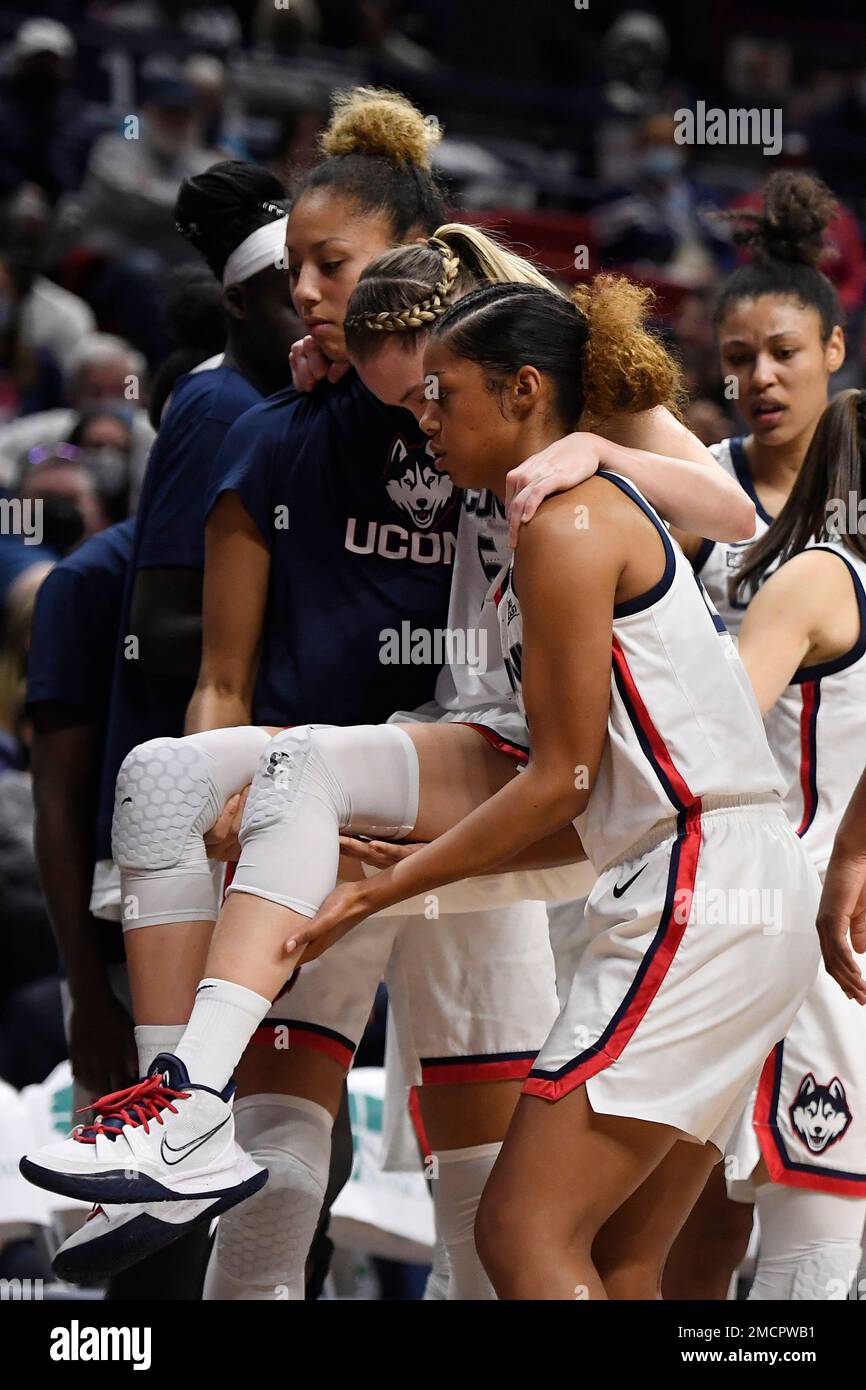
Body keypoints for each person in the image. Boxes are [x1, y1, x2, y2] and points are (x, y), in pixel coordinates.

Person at [21, 279, 821, 1303]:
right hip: (721, 884)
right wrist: (424, 863)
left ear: (523, 391)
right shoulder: (555, 516)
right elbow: (588, 798)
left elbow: (560, 778)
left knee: (521, 1237)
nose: (425, 418)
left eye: (442, 393)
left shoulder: (568, 519)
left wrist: (386, 888)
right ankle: (180, 1107)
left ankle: (186, 1102)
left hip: (697, 888)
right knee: (620, 1262)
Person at [709, 390, 866, 1300]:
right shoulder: (822, 578)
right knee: (814, 1247)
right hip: (807, 928)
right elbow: (710, 738)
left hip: (840, 927)